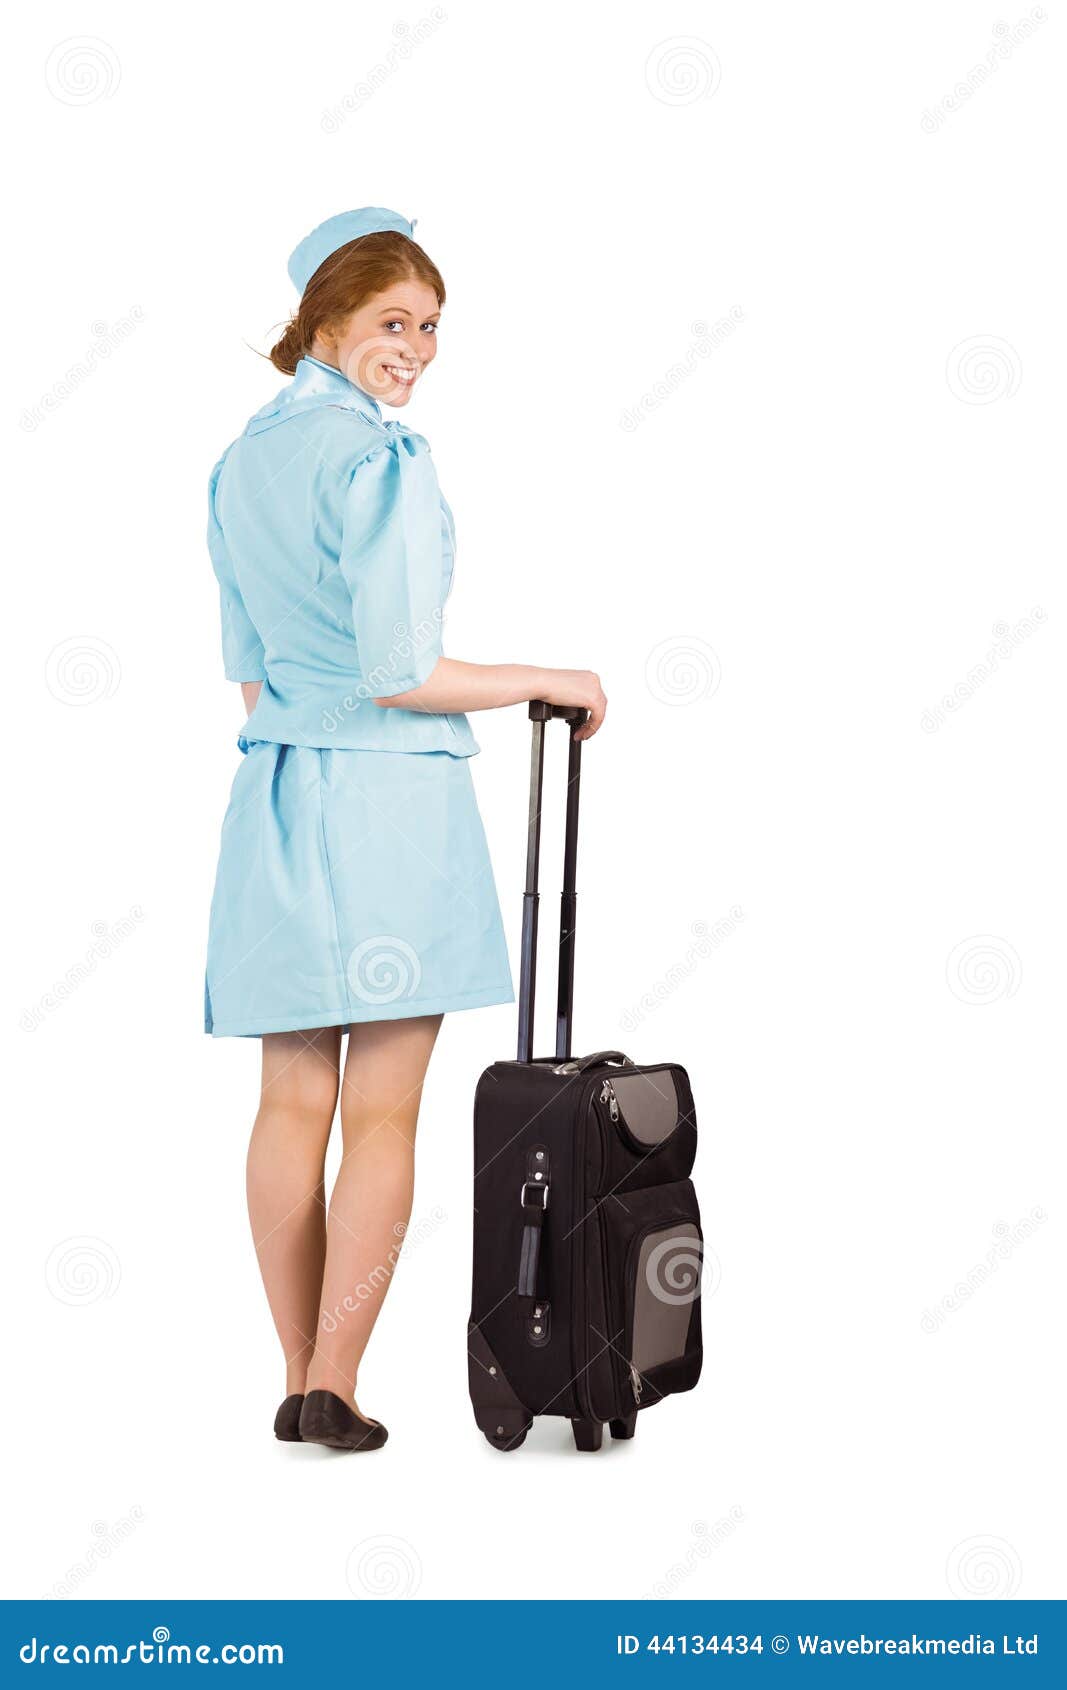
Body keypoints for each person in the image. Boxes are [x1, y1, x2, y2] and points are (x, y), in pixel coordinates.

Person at [204, 207, 606, 1450]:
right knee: (381, 1113)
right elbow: (396, 667)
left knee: (288, 1105)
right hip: (387, 805)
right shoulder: (384, 461)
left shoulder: (237, 466)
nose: (417, 348)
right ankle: (336, 1374)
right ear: (325, 320)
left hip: (277, 802)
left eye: (430, 327)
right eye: (393, 321)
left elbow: (253, 678)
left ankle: (297, 1371)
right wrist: (547, 675)